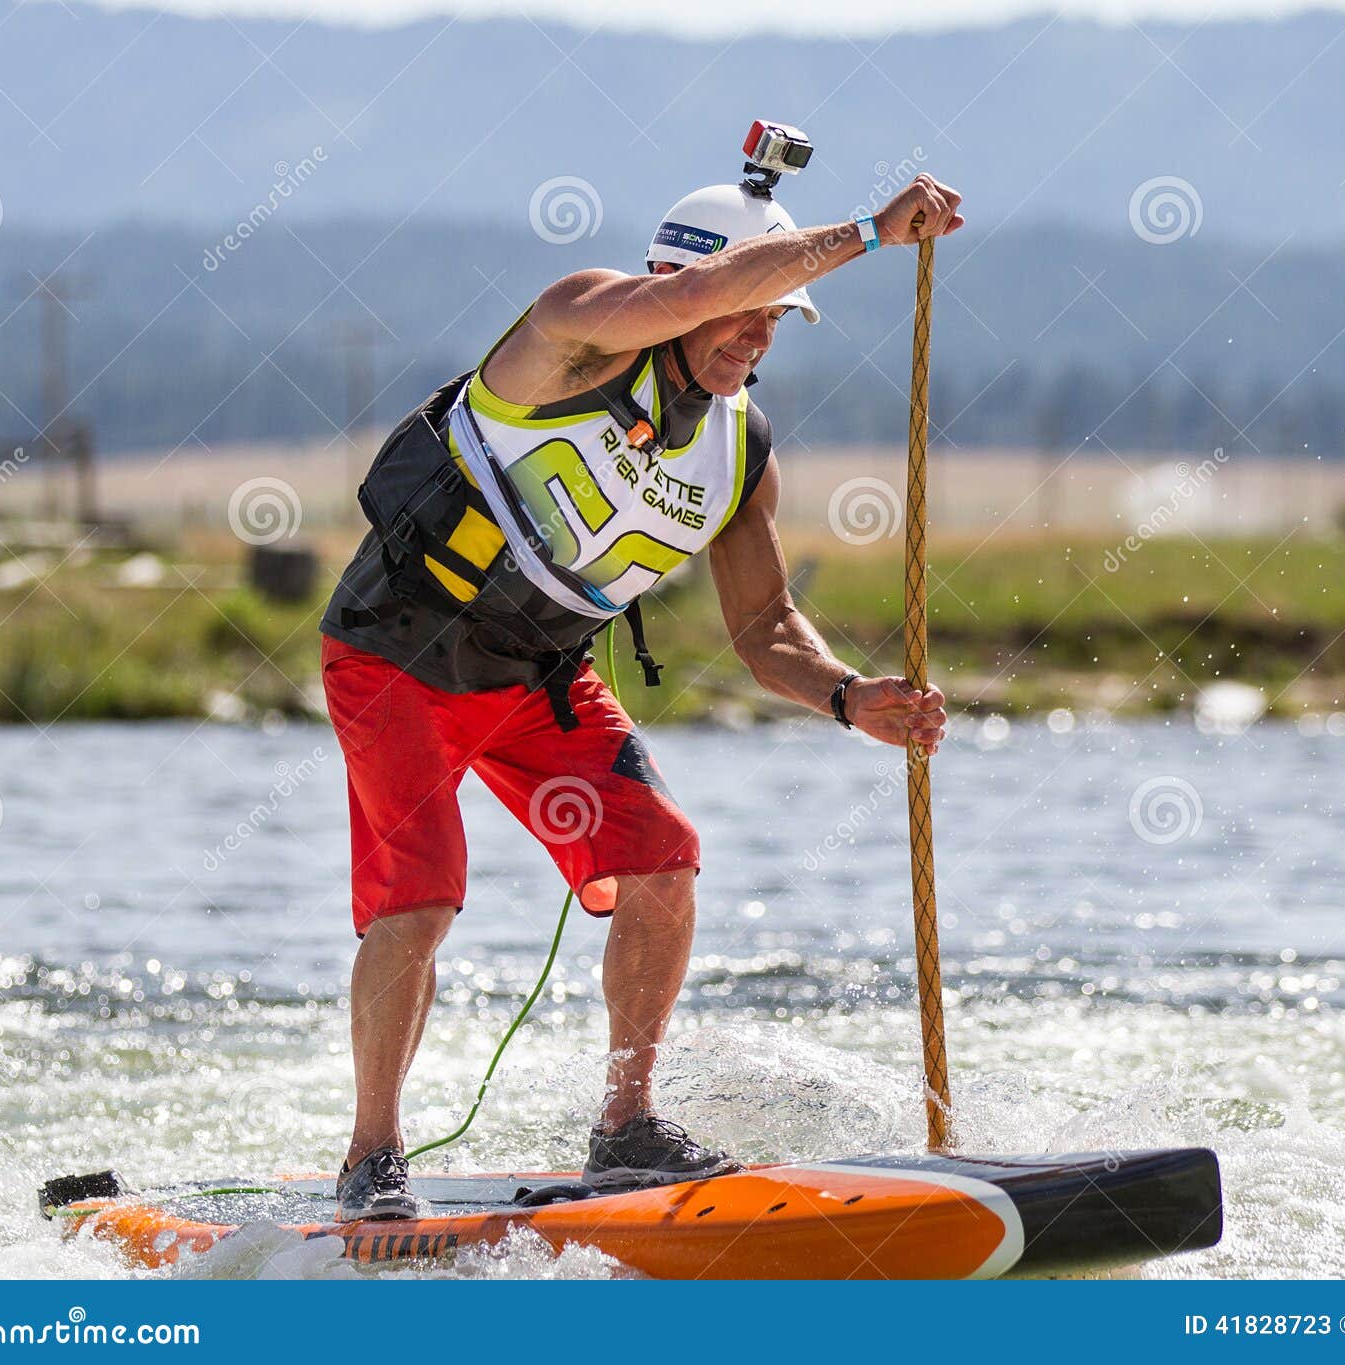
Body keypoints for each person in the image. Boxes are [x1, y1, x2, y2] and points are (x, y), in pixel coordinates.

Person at [319, 167, 962, 1220]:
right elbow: (674, 304)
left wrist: (852, 698)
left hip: (536, 679)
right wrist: (867, 233)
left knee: (661, 856)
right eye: (741, 310)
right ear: (683, 284)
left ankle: (624, 1128)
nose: (756, 336)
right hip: (398, 654)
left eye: (776, 323)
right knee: (421, 894)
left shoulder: (739, 447)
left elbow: (763, 630)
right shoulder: (576, 324)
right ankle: (372, 1158)